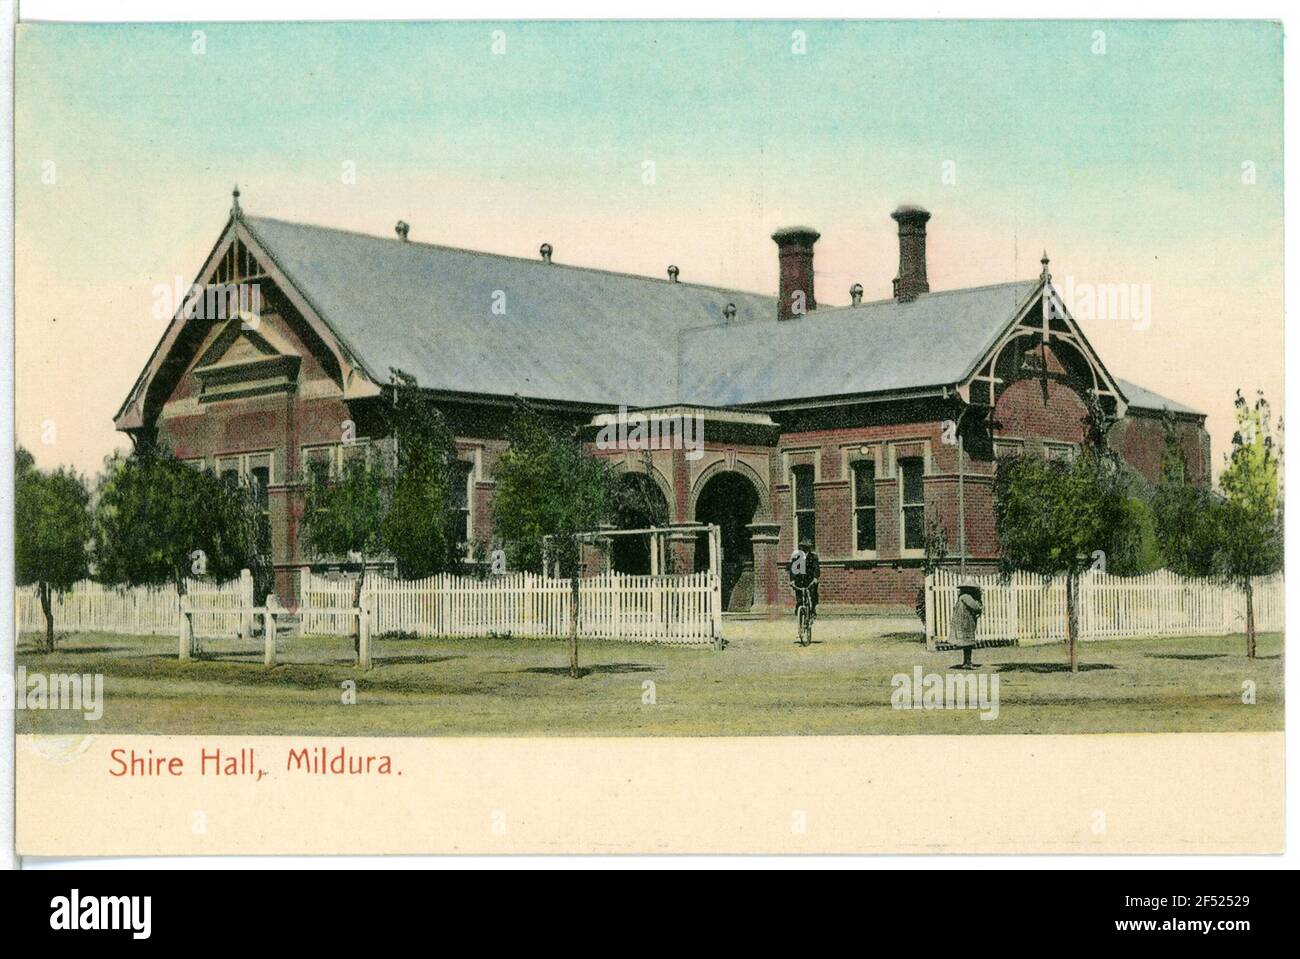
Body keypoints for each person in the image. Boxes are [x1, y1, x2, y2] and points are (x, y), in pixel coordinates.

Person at [949, 582, 983, 669]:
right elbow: (976, 607)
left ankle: (966, 662)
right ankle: (967, 663)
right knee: (968, 643)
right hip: (965, 623)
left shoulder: (962, 597)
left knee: (967, 643)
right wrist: (979, 604)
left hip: (964, 622)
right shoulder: (966, 597)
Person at [788, 538, 820, 620]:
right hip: (800, 581)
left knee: (812, 596)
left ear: (809, 548)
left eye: (806, 547)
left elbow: (816, 568)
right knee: (799, 598)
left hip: (810, 581)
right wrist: (792, 580)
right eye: (803, 547)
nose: (804, 549)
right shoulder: (797, 557)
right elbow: (793, 569)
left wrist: (815, 578)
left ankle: (812, 610)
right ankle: (800, 612)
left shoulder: (813, 557)